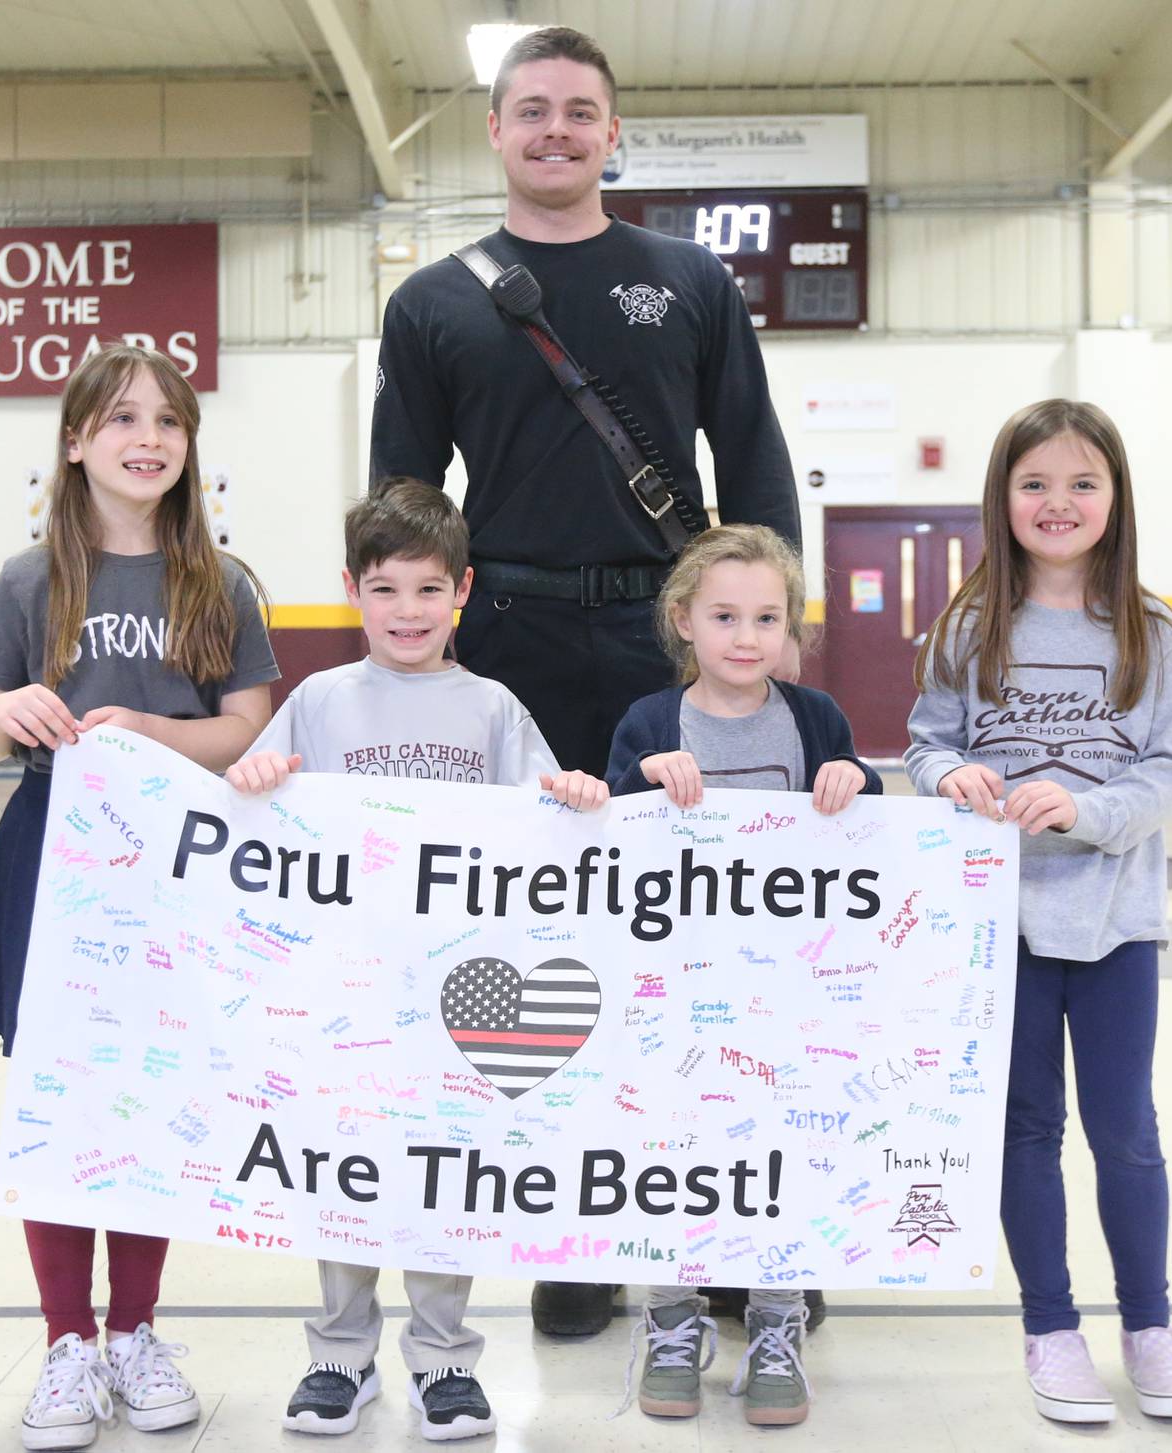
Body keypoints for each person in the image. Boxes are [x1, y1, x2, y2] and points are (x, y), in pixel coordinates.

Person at [370, 22, 800, 1336]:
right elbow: (403, 501)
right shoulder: (431, 304)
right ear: (495, 131)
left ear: (615, 135)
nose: (555, 130)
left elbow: (753, 457)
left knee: (706, 938)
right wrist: (408, 657)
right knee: (548, 943)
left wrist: (775, 628)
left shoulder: (689, 280)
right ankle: (579, 1238)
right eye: (532, 109)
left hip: (673, 644)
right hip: (511, 649)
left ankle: (733, 1239)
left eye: (579, 112)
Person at [0, 343, 279, 1450]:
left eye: (169, 421)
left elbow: (246, 726)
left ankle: (134, 1330)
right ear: (77, 440)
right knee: (57, 1098)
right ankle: (66, 1343)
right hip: (52, 853)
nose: (149, 438)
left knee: (146, 1095)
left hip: (172, 859)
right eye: (124, 418)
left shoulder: (218, 581)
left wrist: (148, 731)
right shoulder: (29, 579)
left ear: (190, 447)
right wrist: (6, 713)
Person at [226, 479, 608, 1443]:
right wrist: (257, 776)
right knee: (346, 1169)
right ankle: (340, 1354)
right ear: (351, 589)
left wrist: (568, 793)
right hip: (346, 991)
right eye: (386, 589)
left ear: (463, 591)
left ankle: (444, 1359)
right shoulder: (317, 701)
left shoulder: (493, 707)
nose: (408, 611)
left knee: (443, 1171)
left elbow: (542, 821)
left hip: (455, 991)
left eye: (430, 589)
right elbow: (255, 805)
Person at [904, 399, 1172, 1425]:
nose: (1057, 501)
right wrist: (947, 778)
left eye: (1082, 482)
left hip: (1116, 921)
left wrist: (1088, 810)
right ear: (1001, 498)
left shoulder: (1150, 630)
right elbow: (926, 744)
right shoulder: (965, 627)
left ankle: (1149, 1324)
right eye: (1033, 482)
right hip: (1003, 925)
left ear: (1116, 497)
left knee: (1125, 1130)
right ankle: (1050, 1328)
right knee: (1025, 1127)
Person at [604, 524, 881, 1425]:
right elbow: (607, 845)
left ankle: (775, 1321)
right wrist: (641, 782)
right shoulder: (650, 721)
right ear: (683, 619)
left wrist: (853, 781)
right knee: (672, 1153)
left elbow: (868, 830)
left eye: (767, 617)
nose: (747, 636)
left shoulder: (815, 718)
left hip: (787, 999)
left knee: (783, 1153)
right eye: (725, 616)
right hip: (674, 994)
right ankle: (671, 1319)